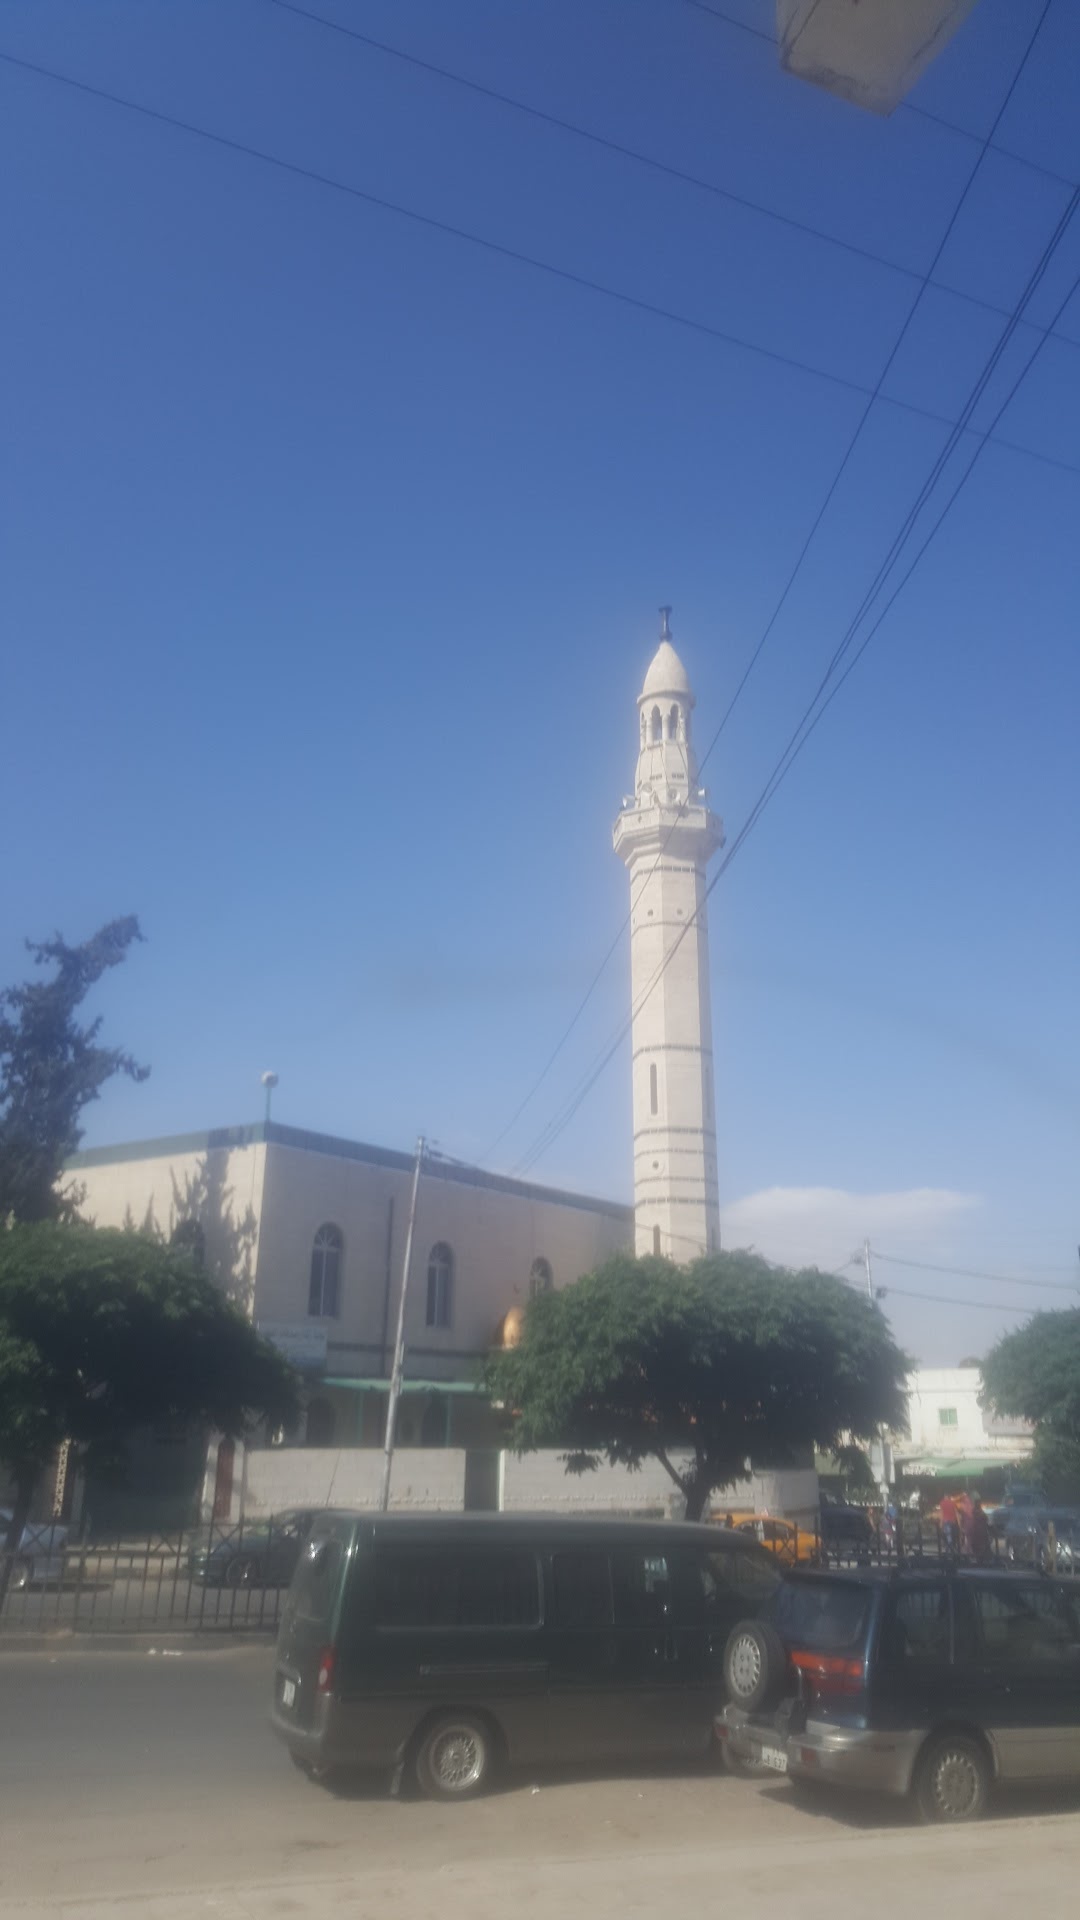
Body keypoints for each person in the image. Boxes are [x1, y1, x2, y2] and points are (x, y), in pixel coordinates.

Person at [967, 1494, 992, 1565]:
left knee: (982, 1545)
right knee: (979, 1545)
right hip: (978, 1531)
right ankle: (980, 1558)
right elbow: (983, 1518)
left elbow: (985, 1518)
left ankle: (982, 1558)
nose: (980, 1504)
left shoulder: (978, 1511)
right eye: (979, 1503)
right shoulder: (976, 1511)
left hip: (981, 1531)